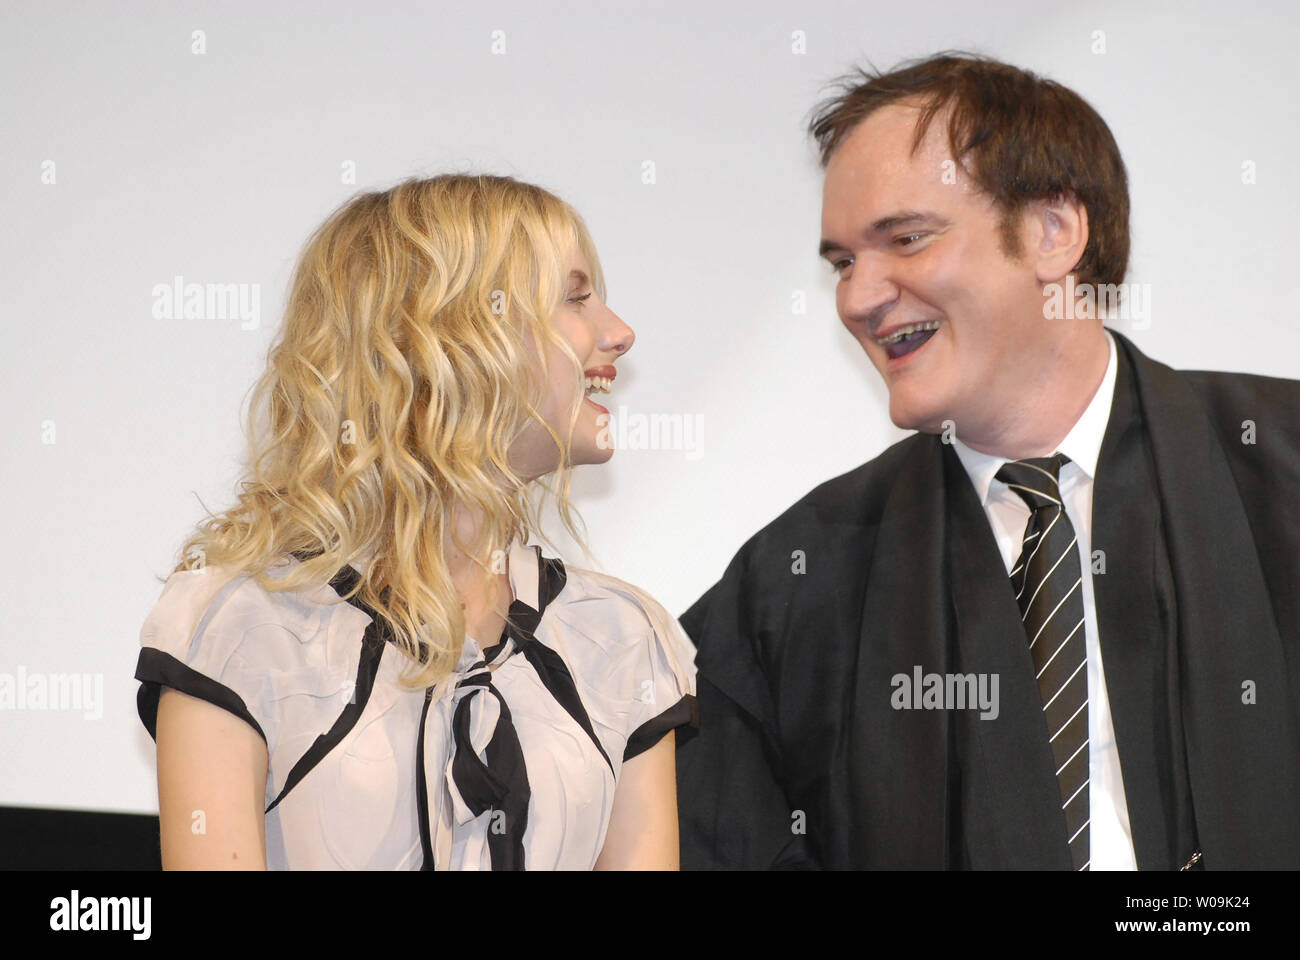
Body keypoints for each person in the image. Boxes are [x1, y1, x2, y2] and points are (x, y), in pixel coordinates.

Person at [674, 52, 1300, 870]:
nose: (859, 298)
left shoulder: (1280, 466)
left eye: (905, 238)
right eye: (843, 263)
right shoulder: (796, 582)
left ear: (1054, 233)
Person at [133, 174, 698, 870]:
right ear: (442, 340)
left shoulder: (621, 639)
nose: (619, 333)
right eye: (576, 297)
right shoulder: (241, 628)